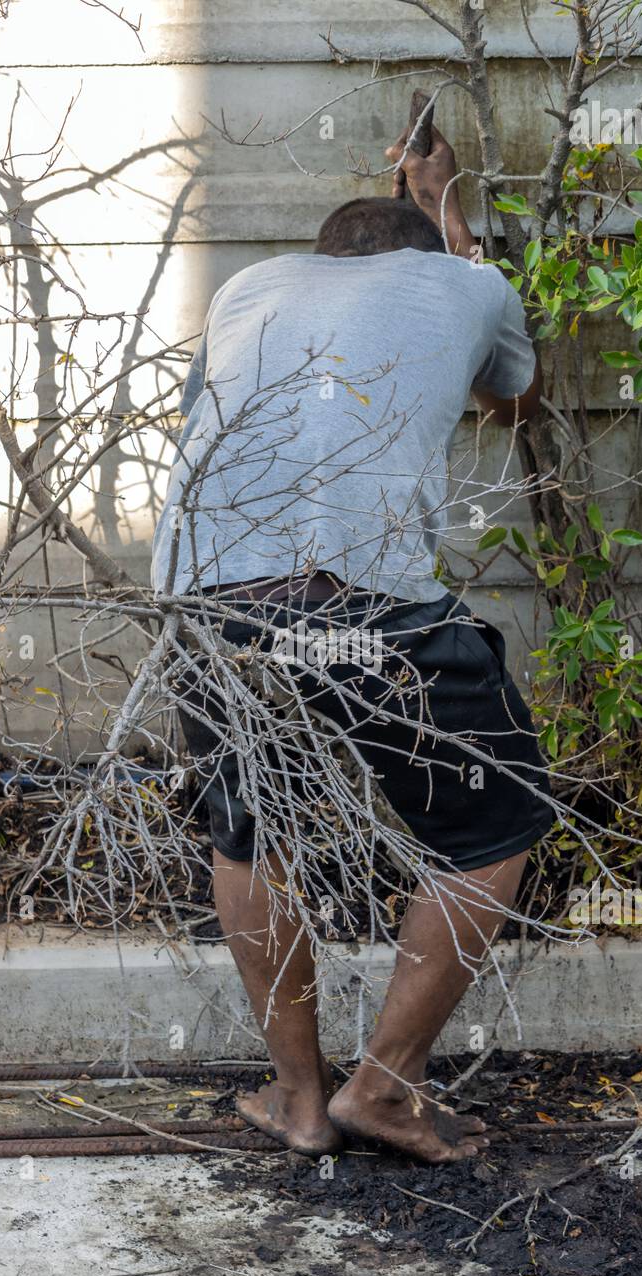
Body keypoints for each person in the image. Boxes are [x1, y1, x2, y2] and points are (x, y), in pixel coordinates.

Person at [152, 125, 553, 1162]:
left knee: (249, 830)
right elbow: (513, 392)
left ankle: (296, 1102)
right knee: (491, 818)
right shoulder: (466, 283)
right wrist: (448, 211)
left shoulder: (245, 290)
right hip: (360, 601)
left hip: (205, 598)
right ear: (421, 250)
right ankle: (382, 1089)